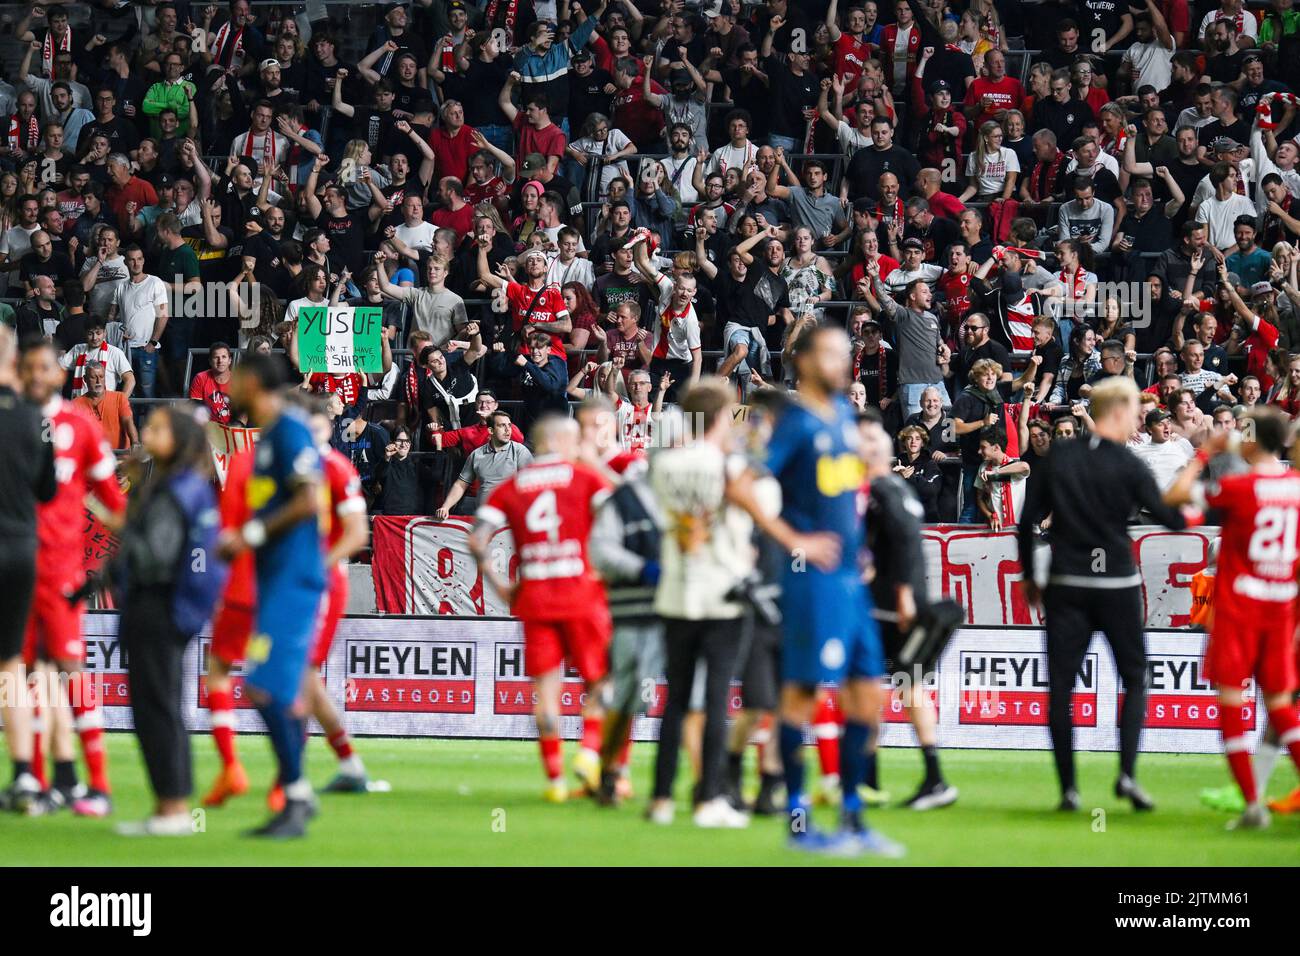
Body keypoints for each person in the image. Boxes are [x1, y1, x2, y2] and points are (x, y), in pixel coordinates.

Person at [1018, 376, 1189, 813]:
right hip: (1116, 584)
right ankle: (1127, 776)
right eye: (1134, 409)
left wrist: (1030, 578)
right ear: (1117, 411)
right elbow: (1172, 520)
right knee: (1135, 679)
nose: (1138, 417)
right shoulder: (1130, 465)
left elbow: (1027, 522)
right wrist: (1192, 486)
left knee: (1061, 686)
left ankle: (1069, 791)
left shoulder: (1060, 456)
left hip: (1066, 584)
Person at [762, 326, 903, 856]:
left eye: (846, 354)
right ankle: (798, 823)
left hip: (850, 582)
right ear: (802, 360)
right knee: (801, 693)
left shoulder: (846, 416)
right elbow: (745, 482)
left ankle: (852, 817)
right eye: (830, 354)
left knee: (867, 693)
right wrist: (793, 538)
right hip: (811, 581)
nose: (842, 362)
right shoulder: (794, 423)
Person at [1164, 409, 1300, 829]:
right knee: (1280, 705)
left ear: (1254, 442)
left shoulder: (1240, 487)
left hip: (1240, 611)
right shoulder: (1297, 487)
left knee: (1231, 703)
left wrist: (1203, 454)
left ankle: (1252, 806)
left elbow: (1175, 497)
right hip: (1282, 611)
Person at [468, 415, 612, 802]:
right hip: (580, 592)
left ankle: (554, 781)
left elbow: (477, 540)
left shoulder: (510, 488)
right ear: (563, 441)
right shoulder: (584, 477)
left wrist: (501, 587)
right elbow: (620, 515)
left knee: (545, 693)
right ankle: (588, 751)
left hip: (534, 597)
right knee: (600, 682)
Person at [218, 355, 326, 839]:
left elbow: (310, 500)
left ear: (254, 383)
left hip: (294, 582)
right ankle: (296, 797)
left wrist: (251, 534)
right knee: (265, 688)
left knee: (264, 687)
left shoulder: (288, 431)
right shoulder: (267, 437)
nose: (228, 384)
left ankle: (297, 798)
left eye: (236, 377)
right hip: (275, 583)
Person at [113, 406, 225, 836]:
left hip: (157, 606)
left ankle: (172, 809)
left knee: (156, 708)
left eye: (157, 428)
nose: (145, 431)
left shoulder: (172, 490)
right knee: (162, 707)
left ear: (176, 440)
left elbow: (153, 555)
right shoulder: (178, 485)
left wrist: (120, 524)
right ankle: (170, 806)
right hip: (170, 609)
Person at [860, 411, 957, 809]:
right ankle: (932, 777)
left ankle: (866, 781)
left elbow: (902, 542)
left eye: (864, 443)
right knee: (909, 686)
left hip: (888, 608)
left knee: (868, 686)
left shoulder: (883, 490)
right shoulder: (898, 490)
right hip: (900, 601)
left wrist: (901, 594)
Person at [0, 326, 56, 813]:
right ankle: (22, 777)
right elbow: (47, 490)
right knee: (12, 666)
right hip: (21, 550)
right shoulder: (37, 418)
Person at [435, 410, 533, 519]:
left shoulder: (520, 451)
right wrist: (446, 507)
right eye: (502, 425)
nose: (508, 430)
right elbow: (461, 484)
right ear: (491, 430)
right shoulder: (477, 455)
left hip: (511, 518)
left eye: (509, 425)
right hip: (483, 517)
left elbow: (533, 484)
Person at [72, 362, 138, 450]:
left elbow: (128, 421)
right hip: (92, 459)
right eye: (93, 377)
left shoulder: (119, 397)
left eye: (101, 377)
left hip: (119, 458)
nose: (98, 381)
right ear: (85, 379)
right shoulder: (75, 403)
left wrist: (135, 442)